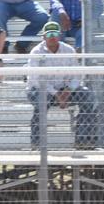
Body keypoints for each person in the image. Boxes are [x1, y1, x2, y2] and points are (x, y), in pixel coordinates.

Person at [26, 20, 100, 149]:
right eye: (49, 34)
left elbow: (76, 75)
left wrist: (68, 90)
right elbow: (36, 80)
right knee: (42, 99)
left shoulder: (69, 50)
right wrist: (57, 94)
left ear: (60, 35)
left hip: (65, 90)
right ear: (43, 37)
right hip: (39, 90)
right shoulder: (36, 52)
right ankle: (37, 143)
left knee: (87, 96)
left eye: (55, 34)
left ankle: (83, 140)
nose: (52, 37)